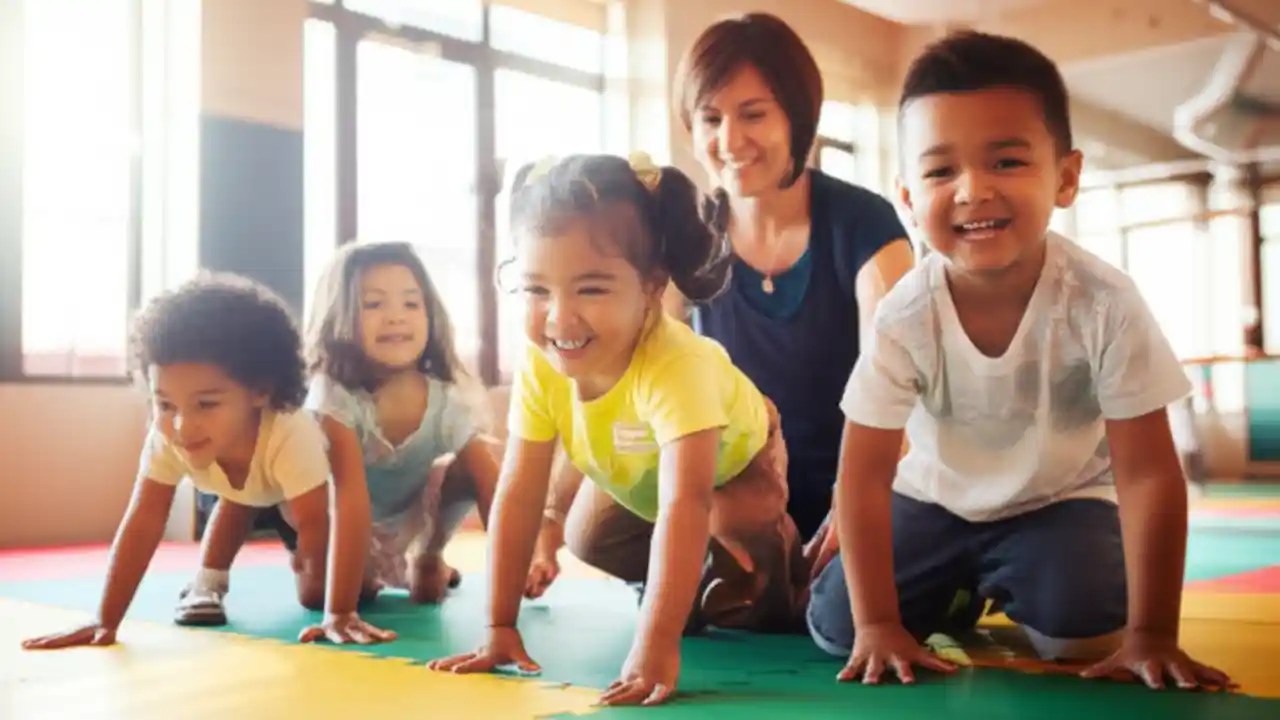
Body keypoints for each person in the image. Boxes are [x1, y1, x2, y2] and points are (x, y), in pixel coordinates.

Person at [807, 30, 1232, 692]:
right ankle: (957, 591)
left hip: (1057, 502)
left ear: (1065, 178)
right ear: (909, 198)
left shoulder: (1104, 303)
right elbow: (862, 477)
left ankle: (1006, 580)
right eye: (941, 171)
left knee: (1089, 631)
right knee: (837, 627)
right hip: (930, 500)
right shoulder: (904, 315)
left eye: (1006, 162)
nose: (972, 190)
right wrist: (877, 625)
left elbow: (1148, 474)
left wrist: (1154, 635)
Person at [523, 14, 914, 601]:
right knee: (593, 530)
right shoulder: (689, 236)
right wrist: (551, 516)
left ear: (797, 116)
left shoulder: (864, 223)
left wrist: (859, 497)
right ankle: (740, 580)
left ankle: (759, 585)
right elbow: (617, 368)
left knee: (872, 598)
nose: (730, 141)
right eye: (711, 118)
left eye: (753, 114)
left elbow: (901, 384)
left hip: (849, 481)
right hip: (723, 477)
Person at [430, 154, 807, 706]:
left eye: (590, 289)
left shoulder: (677, 365)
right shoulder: (544, 360)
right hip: (644, 473)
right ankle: (691, 588)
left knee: (753, 583)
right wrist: (499, 626)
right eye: (536, 290)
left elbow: (686, 504)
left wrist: (655, 643)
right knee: (587, 537)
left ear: (652, 286)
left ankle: (784, 564)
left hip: (736, 465)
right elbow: (518, 490)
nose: (559, 318)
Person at [23, 273, 392, 649]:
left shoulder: (291, 431)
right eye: (164, 403)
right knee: (237, 497)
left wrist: (337, 607)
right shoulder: (167, 435)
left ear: (261, 391)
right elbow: (144, 519)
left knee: (321, 592)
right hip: (247, 491)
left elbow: (316, 521)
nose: (182, 426)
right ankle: (206, 583)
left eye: (206, 404)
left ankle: (378, 568)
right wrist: (105, 618)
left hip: (307, 500)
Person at [301, 241, 500, 608]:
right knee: (316, 597)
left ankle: (429, 554)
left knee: (476, 464)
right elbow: (347, 498)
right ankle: (357, 569)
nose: (396, 316)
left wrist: (518, 571)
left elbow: (493, 485)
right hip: (339, 518)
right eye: (373, 304)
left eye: (411, 303)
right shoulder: (334, 395)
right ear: (338, 317)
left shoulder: (449, 398)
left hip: (413, 515)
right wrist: (340, 612)